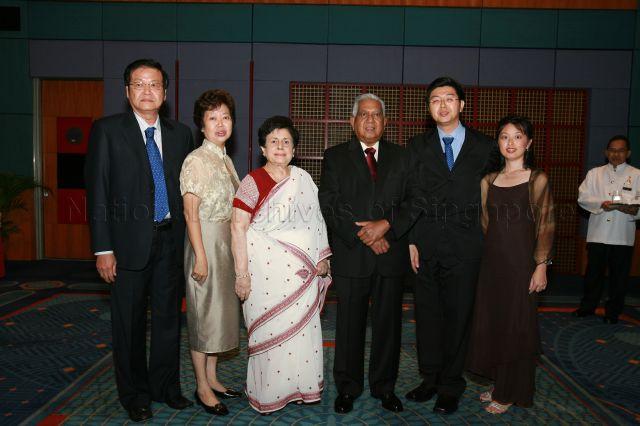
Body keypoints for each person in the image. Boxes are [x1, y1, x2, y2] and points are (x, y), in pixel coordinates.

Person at [85, 59, 195, 422]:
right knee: (128, 324)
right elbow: (97, 192)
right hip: (126, 245)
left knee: (167, 321)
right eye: (139, 84)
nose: (147, 91)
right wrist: (103, 248)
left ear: (165, 92)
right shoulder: (107, 131)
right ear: (127, 91)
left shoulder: (181, 134)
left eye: (154, 85)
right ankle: (134, 395)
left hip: (170, 242)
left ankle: (165, 387)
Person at [319, 94, 418, 414]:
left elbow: (413, 201)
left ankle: (384, 387)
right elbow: (330, 204)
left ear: (385, 122)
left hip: (390, 254)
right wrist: (367, 234)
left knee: (389, 326)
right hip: (352, 254)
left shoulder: (403, 157)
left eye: (377, 115)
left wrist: (385, 226)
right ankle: (347, 388)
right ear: (352, 121)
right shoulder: (335, 156)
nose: (371, 120)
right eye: (364, 115)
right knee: (348, 326)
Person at [405, 76, 498, 415]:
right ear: (429, 108)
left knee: (459, 316)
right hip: (426, 243)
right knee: (427, 315)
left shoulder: (487, 147)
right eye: (434, 100)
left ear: (461, 104)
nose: (442, 105)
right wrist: (411, 239)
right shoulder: (416, 146)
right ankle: (429, 378)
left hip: (467, 244)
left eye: (449, 98)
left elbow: (497, 196)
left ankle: (450, 385)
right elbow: (410, 195)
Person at [230, 116, 331, 414]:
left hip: (302, 276)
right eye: (273, 141)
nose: (280, 146)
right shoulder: (252, 181)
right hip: (264, 277)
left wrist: (322, 256)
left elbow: (316, 220)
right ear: (262, 147)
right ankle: (269, 393)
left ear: (294, 149)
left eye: (286, 141)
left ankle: (301, 388)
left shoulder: (303, 179)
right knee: (270, 335)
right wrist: (242, 274)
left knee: (302, 334)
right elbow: (238, 228)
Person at [466, 115, 554, 414]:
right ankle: (500, 381)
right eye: (504, 136)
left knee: (517, 326)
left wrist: (541, 264)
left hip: (522, 266)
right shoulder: (488, 181)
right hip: (492, 266)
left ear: (528, 143)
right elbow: (485, 224)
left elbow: (545, 225)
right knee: (494, 324)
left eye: (517, 136)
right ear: (498, 143)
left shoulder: (537, 179)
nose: (511, 143)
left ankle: (509, 392)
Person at [180, 89, 243, 416]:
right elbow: (191, 213)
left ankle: (214, 378)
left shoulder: (224, 158)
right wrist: (200, 256)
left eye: (226, 117)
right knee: (203, 317)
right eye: (212, 118)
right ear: (201, 126)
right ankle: (202, 387)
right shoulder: (197, 160)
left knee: (219, 315)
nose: (220, 124)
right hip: (203, 241)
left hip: (223, 245)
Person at [574, 135, 640, 324]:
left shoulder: (637, 175)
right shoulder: (595, 173)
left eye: (620, 150)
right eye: (612, 150)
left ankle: (613, 313)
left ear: (628, 153)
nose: (616, 154)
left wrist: (629, 208)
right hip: (598, 234)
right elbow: (583, 197)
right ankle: (587, 307)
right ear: (606, 152)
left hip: (622, 236)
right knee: (593, 274)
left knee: (619, 277)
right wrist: (602, 204)